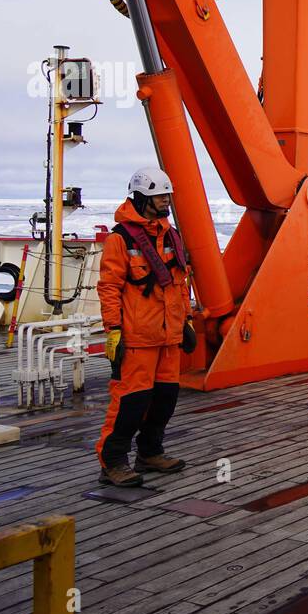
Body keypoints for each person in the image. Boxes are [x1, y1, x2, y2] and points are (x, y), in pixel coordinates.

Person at [95, 166, 197, 486]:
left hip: (168, 337)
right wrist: (113, 330)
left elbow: (180, 282)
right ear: (142, 198)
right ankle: (112, 461)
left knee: (165, 399)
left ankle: (150, 452)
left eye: (167, 195)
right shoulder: (120, 239)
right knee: (130, 402)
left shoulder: (171, 235)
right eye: (159, 196)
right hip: (138, 337)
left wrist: (187, 322)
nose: (166, 201)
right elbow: (109, 287)